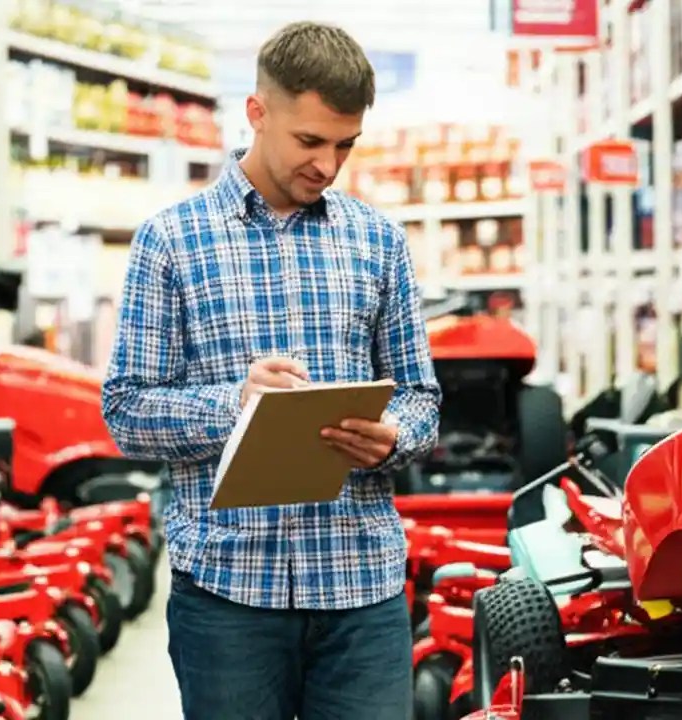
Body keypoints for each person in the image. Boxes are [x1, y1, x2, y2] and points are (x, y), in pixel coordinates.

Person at [100, 20, 441, 720]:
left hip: (361, 589)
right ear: (257, 113)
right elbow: (126, 410)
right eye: (309, 141)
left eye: (345, 145)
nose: (327, 165)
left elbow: (420, 397)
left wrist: (395, 436)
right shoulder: (172, 242)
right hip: (230, 595)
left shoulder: (379, 242)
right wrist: (236, 404)